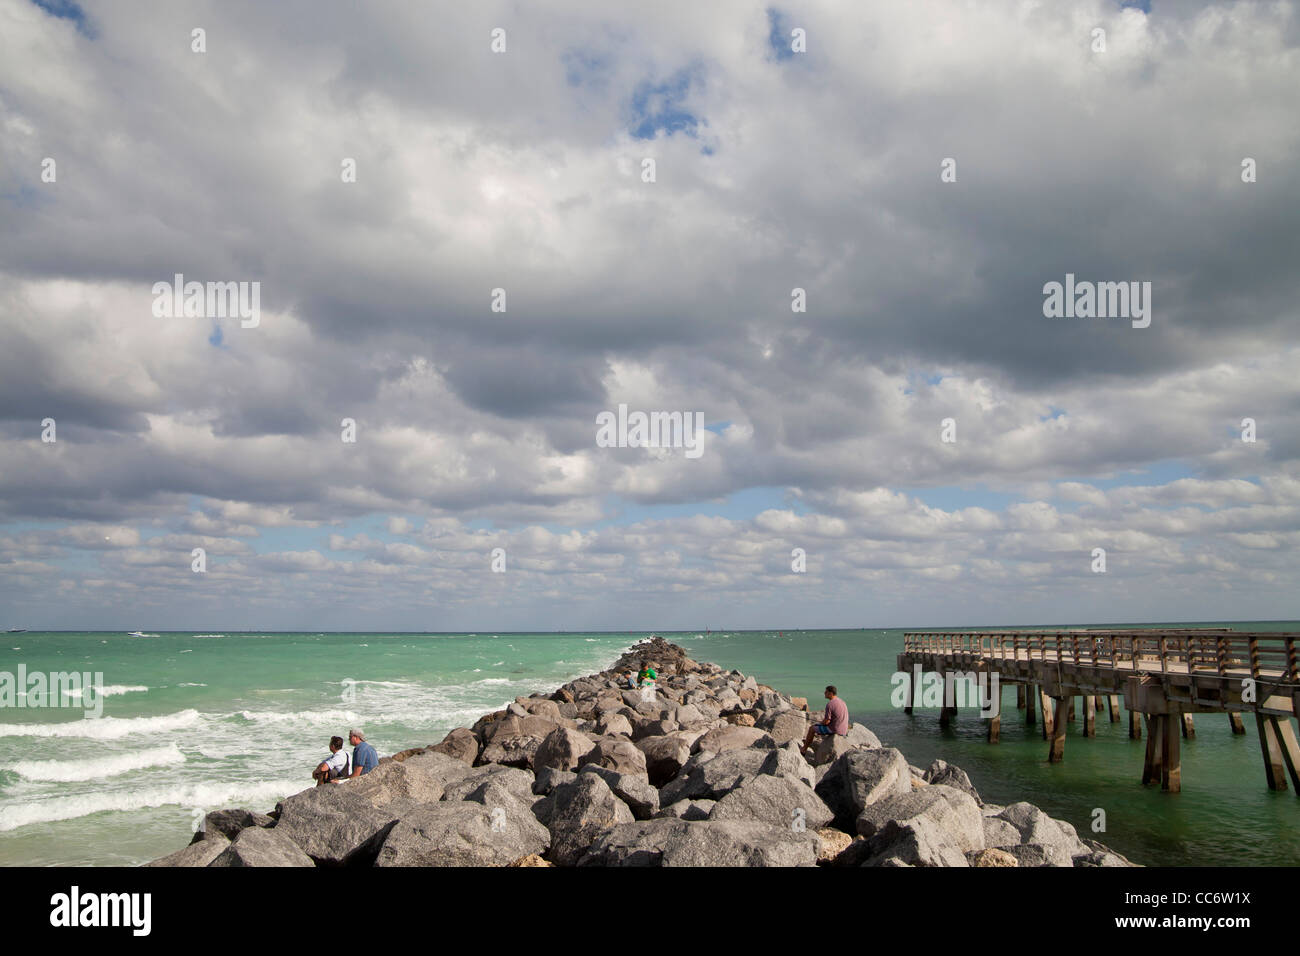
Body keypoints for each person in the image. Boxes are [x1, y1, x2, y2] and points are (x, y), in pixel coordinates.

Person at [800, 685, 849, 755]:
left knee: (812, 729)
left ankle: (803, 749)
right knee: (818, 727)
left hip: (834, 730)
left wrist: (820, 723)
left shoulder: (830, 704)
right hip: (844, 730)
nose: (824, 693)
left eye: (826, 692)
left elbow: (827, 721)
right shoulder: (842, 702)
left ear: (831, 693)